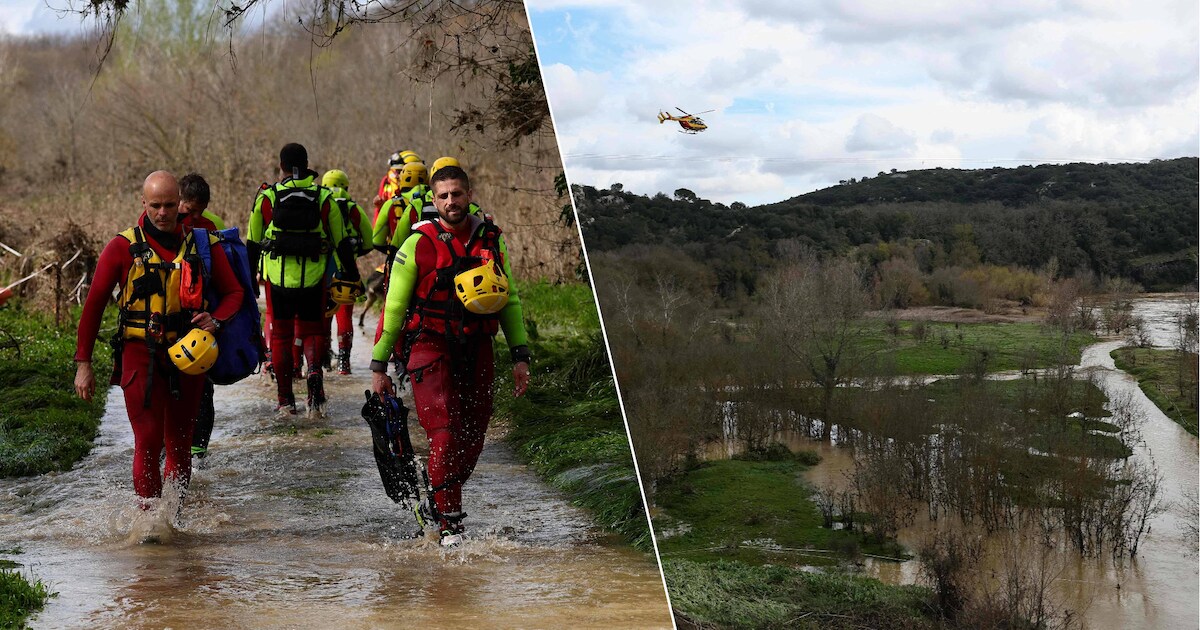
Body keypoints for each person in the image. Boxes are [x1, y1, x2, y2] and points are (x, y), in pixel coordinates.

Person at [370, 165, 531, 547]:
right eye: (443, 196)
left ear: (468, 193)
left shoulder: (491, 239)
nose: (450, 202)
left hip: (477, 346)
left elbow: (510, 300)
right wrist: (378, 366)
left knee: (472, 437)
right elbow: (393, 310)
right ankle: (450, 526)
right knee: (443, 434)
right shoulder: (417, 243)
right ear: (433, 199)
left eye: (456, 194)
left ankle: (437, 496)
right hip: (430, 346)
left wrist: (520, 355)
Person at [74, 171, 243, 508]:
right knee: (148, 441)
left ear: (179, 202)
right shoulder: (121, 247)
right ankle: (150, 521)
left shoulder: (202, 243)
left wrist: (217, 319)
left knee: (180, 444)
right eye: (155, 206)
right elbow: (92, 307)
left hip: (189, 356)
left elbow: (235, 292)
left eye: (169, 205)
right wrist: (83, 364)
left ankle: (174, 515)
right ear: (143, 203)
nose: (163, 213)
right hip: (140, 356)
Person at [247, 143, 359, 417]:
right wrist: (350, 273)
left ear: (281, 166)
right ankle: (315, 381)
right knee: (313, 332)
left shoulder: (268, 198)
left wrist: (251, 279)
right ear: (307, 164)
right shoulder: (323, 198)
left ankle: (286, 400)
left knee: (283, 337)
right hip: (314, 278)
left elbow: (251, 242)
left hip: (278, 280)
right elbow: (341, 240)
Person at [177, 173, 224, 458]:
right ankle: (171, 445)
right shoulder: (161, 222)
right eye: (189, 210)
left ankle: (197, 449)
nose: (193, 217)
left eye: (198, 211)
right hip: (171, 317)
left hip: (199, 318)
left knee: (203, 387)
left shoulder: (210, 226)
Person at [321, 168, 373, 375]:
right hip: (346, 272)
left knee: (322, 317)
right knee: (345, 318)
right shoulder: (353, 208)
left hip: (320, 272)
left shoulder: (319, 204)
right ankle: (344, 363)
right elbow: (369, 241)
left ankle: (323, 359)